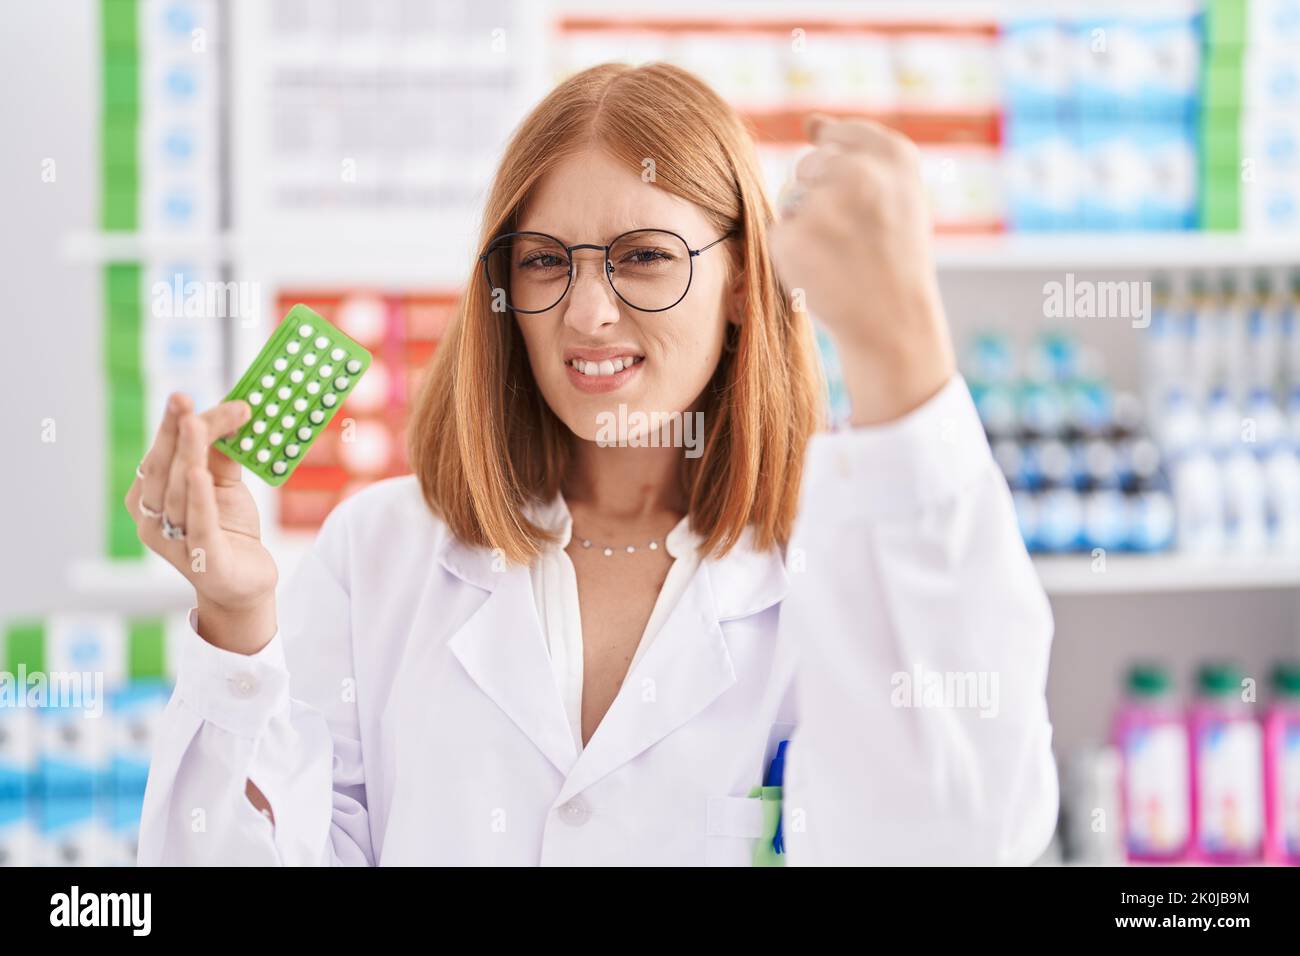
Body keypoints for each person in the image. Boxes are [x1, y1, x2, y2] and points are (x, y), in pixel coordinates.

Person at [128, 63, 1057, 866]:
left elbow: (967, 835)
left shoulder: (839, 571)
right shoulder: (381, 552)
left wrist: (905, 366)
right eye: (545, 263)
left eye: (644, 258)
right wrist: (237, 625)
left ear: (743, 281)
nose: (586, 313)